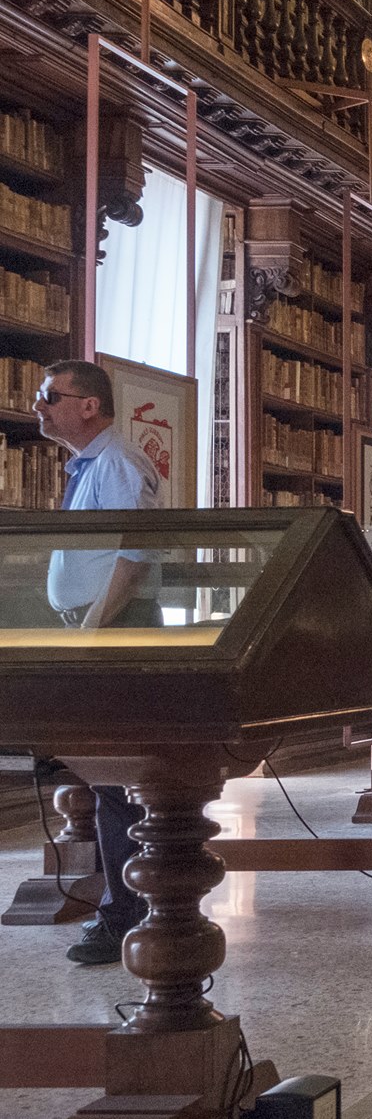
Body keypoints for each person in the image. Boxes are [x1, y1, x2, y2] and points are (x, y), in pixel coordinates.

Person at [33, 360, 163, 965]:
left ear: (89, 406)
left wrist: (93, 627)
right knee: (105, 776)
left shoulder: (116, 463)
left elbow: (134, 552)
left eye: (49, 396)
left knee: (118, 780)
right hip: (96, 629)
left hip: (115, 630)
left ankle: (126, 914)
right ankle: (123, 907)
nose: (38, 406)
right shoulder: (89, 464)